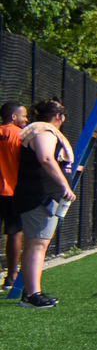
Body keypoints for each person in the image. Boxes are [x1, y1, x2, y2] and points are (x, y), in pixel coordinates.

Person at [14, 99, 76, 308]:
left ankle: (30, 291)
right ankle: (33, 294)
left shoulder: (42, 130)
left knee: (37, 243)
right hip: (39, 195)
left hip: (42, 195)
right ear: (59, 116)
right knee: (37, 244)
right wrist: (64, 185)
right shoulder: (43, 131)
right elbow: (46, 158)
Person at [0, 101, 25, 293]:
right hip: (12, 191)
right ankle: (11, 276)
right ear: (13, 116)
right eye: (23, 115)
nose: (26, 119)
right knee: (15, 233)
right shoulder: (20, 135)